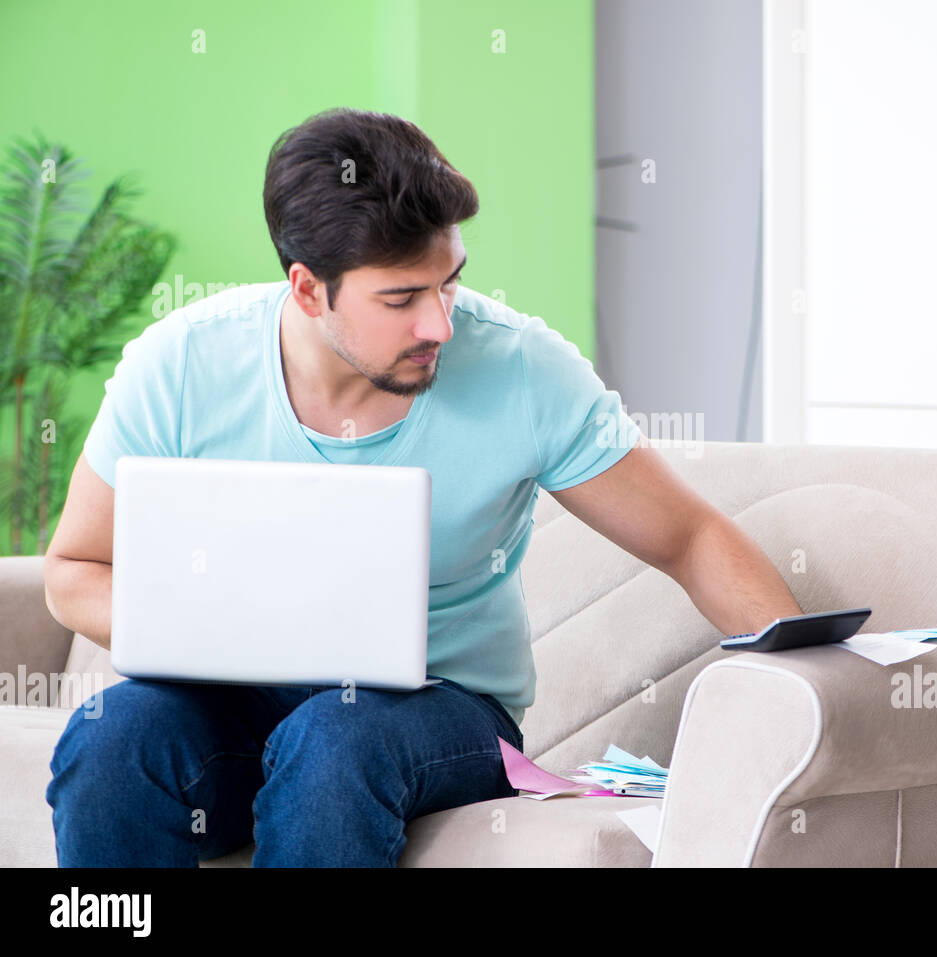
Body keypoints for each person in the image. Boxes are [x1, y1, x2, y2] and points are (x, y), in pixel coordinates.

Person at [42, 108, 803, 867]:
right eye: (402, 299)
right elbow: (74, 572)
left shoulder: (522, 370)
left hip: (441, 710)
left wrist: (810, 691)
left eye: (450, 282)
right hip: (232, 700)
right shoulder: (180, 367)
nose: (440, 323)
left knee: (335, 741)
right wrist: (214, 627)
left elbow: (690, 538)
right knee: (113, 735)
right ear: (309, 290)